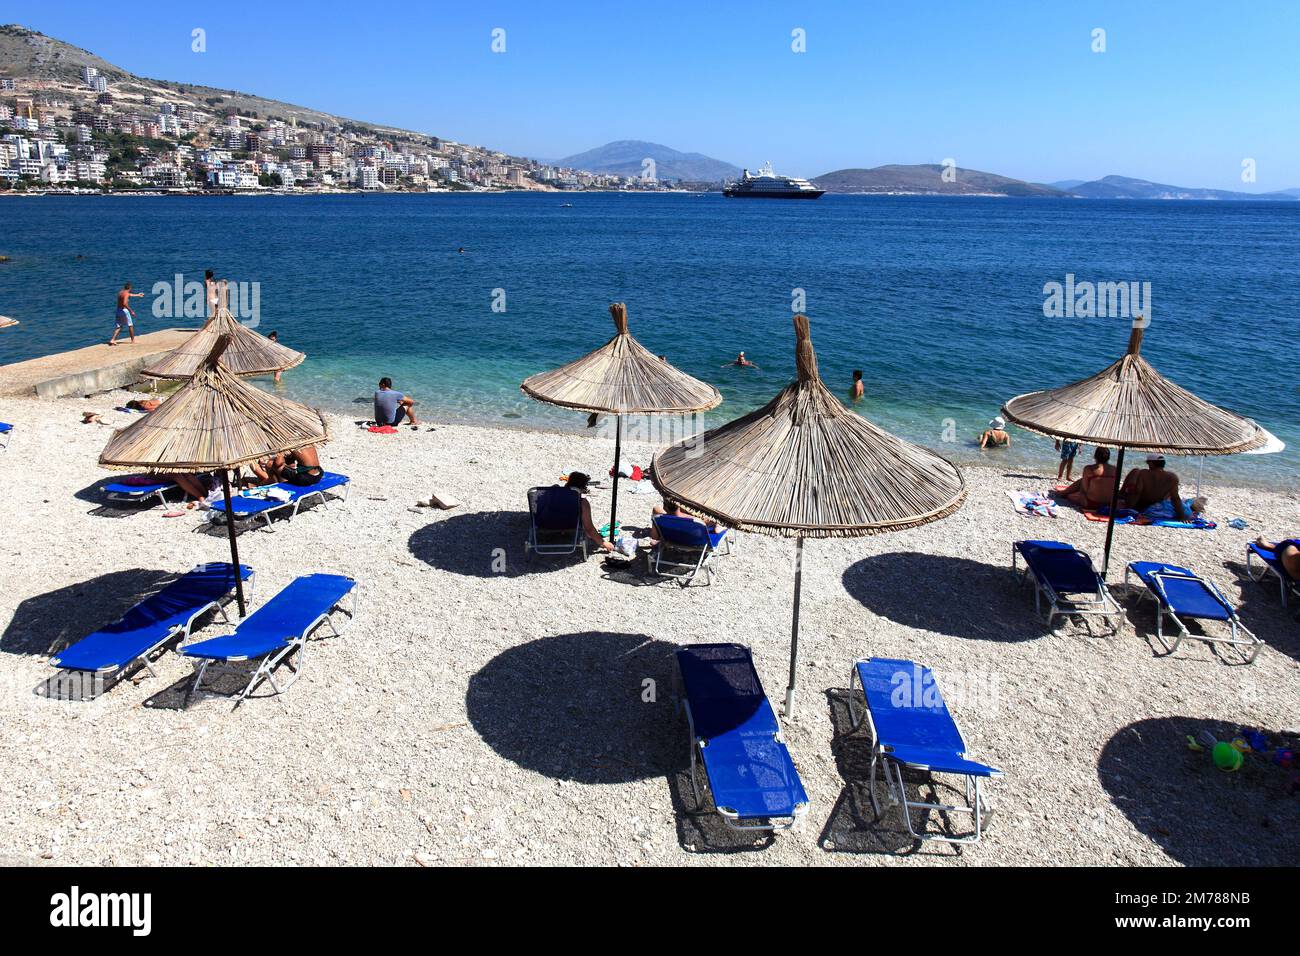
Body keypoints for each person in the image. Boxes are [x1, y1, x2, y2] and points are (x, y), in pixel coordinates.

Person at [1118, 454, 1187, 520]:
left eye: (1148, 463)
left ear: (1151, 463)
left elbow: (1137, 491)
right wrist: (1182, 516)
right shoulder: (1172, 477)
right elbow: (1175, 498)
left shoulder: (1143, 473)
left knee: (1135, 471)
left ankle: (1120, 494)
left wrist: (1130, 508)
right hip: (1155, 506)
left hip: (1140, 505)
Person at [1052, 446, 1117, 510]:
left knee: (1070, 495)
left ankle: (1062, 493)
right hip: (1109, 504)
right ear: (1108, 457)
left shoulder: (1089, 469)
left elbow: (1085, 489)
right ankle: (1064, 493)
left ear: (1095, 456)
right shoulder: (1115, 469)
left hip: (1091, 503)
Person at [563, 472, 614, 552]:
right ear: (582, 487)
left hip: (546, 524)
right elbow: (589, 528)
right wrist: (604, 543)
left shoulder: (553, 494)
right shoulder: (582, 503)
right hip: (569, 526)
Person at [649, 498, 719, 541]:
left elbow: (654, 537)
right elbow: (716, 530)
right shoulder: (696, 522)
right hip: (691, 542)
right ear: (679, 506)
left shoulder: (661, 517)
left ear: (665, 507)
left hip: (671, 540)